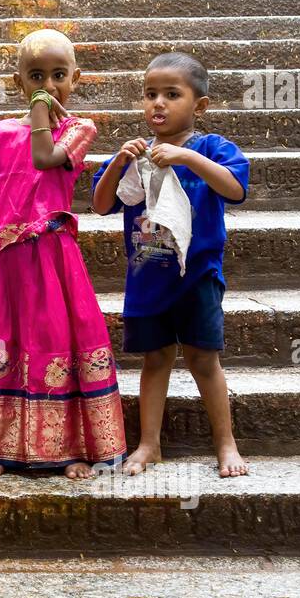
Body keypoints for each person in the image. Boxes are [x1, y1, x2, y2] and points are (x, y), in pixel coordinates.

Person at [0, 29, 126, 479]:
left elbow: (45, 157)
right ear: (18, 81)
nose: (48, 86)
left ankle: (67, 448)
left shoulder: (79, 129)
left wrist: (40, 110)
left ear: (75, 78)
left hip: (52, 255)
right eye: (36, 77)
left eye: (57, 75)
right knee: (0, 340)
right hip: (4, 257)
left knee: (56, 343)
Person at [91, 52, 251, 478]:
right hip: (148, 277)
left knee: (203, 359)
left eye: (171, 94)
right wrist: (120, 163)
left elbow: (235, 189)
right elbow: (101, 203)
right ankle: (149, 444)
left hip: (198, 275)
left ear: (199, 106)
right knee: (155, 359)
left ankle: (226, 443)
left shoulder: (213, 149)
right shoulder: (135, 153)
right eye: (150, 94)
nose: (157, 103)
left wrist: (188, 159)